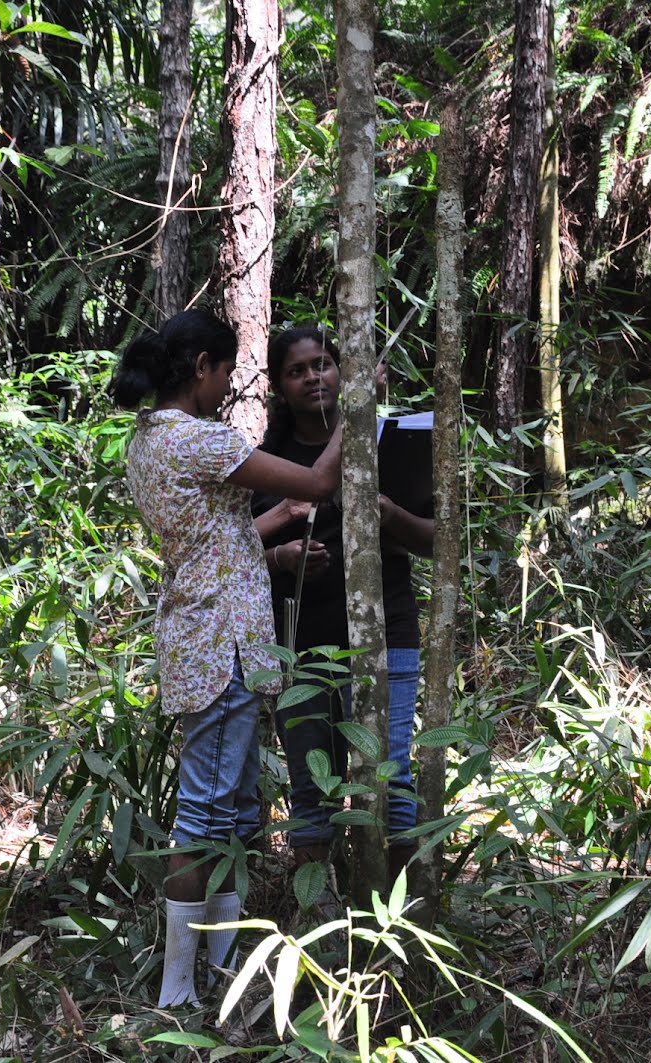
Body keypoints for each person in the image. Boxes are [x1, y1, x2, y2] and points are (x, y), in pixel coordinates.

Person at [109, 309, 343, 1008]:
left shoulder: (149, 440)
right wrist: (357, 409)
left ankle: (221, 968)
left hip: (203, 634)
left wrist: (279, 525)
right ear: (203, 367)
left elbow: (223, 530)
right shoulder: (201, 440)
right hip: (222, 647)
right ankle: (177, 990)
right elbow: (320, 482)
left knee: (237, 807)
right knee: (207, 815)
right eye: (224, 372)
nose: (226, 386)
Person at [249, 325, 434, 890]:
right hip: (298, 639)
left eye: (323, 364)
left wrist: (388, 514)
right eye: (297, 370)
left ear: (343, 372)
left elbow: (434, 539)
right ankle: (318, 919)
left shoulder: (396, 440)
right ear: (280, 386)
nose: (313, 378)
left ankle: (403, 918)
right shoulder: (266, 459)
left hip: (386, 631)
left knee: (392, 772)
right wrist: (283, 555)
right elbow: (233, 547)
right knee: (311, 782)